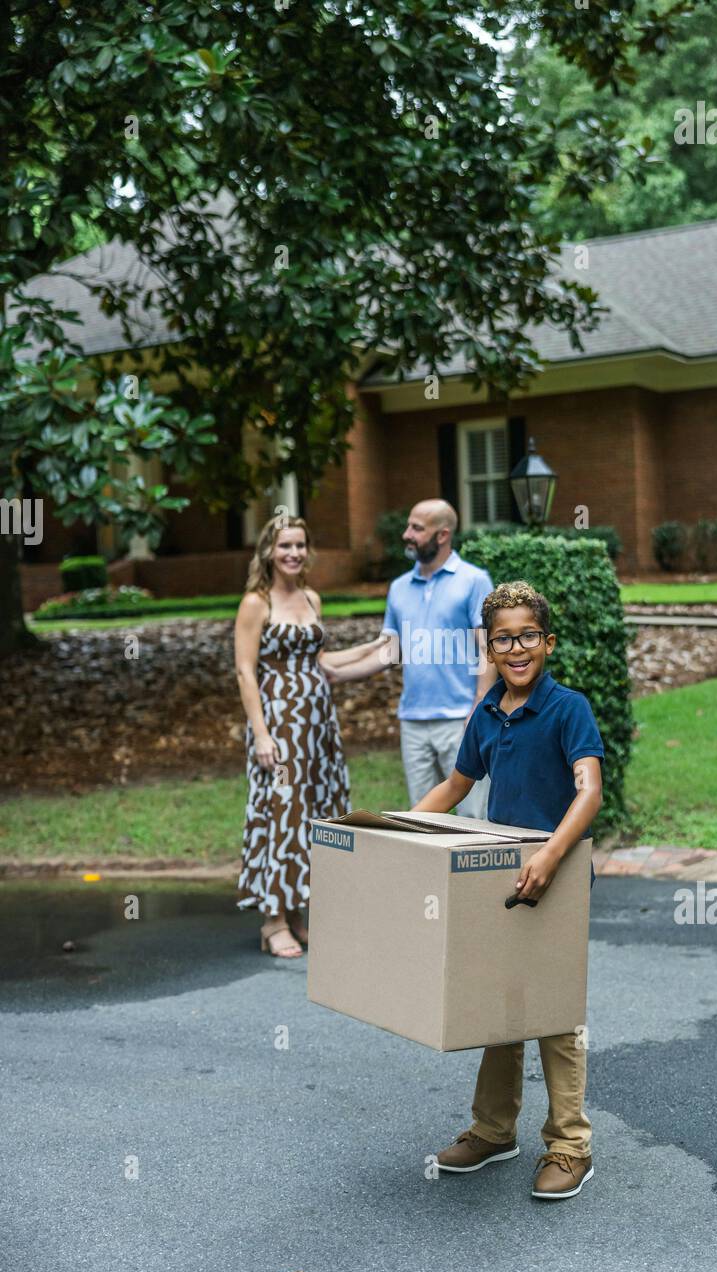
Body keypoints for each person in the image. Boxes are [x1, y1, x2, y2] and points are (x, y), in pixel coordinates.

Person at [412, 579, 604, 1200]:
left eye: (527, 636)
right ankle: (494, 1130)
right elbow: (456, 787)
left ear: (547, 642)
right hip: (503, 876)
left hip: (561, 875)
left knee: (554, 1013)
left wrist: (551, 854)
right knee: (502, 1005)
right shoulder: (487, 712)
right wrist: (400, 832)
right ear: (488, 648)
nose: (516, 648)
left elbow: (589, 791)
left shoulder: (568, 708)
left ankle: (571, 1145)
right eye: (503, 639)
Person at [234, 514, 388, 957]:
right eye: (285, 546)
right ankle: (273, 919)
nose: (294, 553)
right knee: (281, 811)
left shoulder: (311, 598)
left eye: (300, 545)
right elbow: (245, 671)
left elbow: (324, 662)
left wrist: (379, 650)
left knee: (314, 811)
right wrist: (261, 735)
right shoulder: (255, 603)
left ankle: (299, 910)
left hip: (318, 725)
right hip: (278, 724)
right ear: (268, 551)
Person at [333, 499, 497, 818]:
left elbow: (487, 648)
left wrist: (478, 706)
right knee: (421, 821)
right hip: (413, 720)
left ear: (442, 535)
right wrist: (337, 673)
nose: (407, 534)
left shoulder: (473, 580)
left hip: (460, 718)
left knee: (474, 816)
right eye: (409, 526)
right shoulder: (398, 588)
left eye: (417, 528)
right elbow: (390, 651)